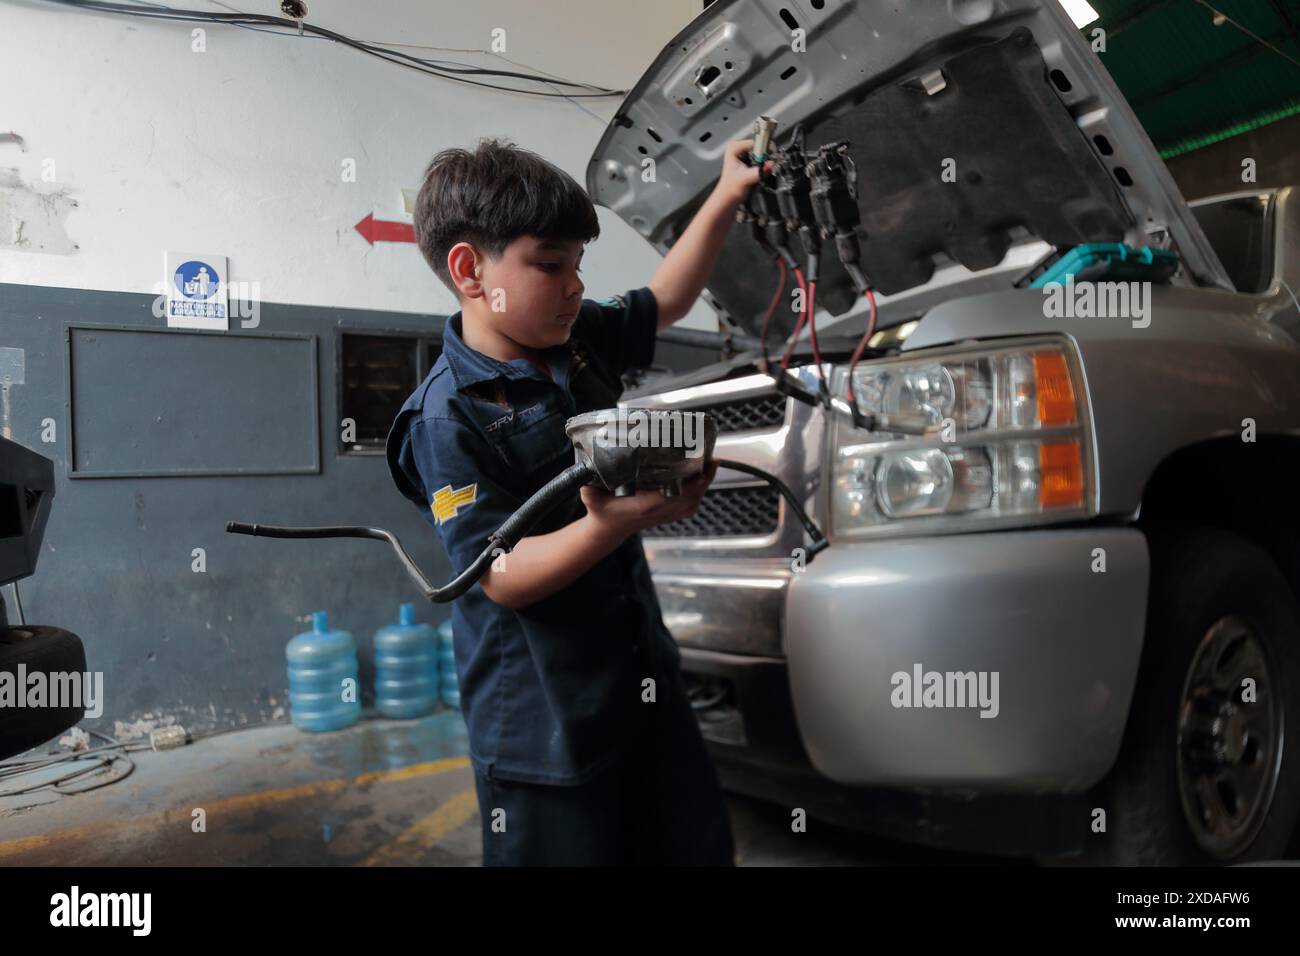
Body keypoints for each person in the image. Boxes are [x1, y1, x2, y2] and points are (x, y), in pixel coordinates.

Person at [385, 136, 768, 865]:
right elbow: (498, 575)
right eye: (550, 264)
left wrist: (724, 193)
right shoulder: (446, 417)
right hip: (544, 725)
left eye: (578, 267)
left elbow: (667, 298)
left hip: (641, 683)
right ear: (470, 271)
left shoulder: (577, 340)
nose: (574, 287)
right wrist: (612, 525)